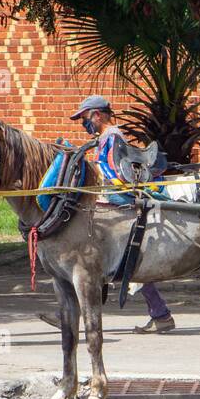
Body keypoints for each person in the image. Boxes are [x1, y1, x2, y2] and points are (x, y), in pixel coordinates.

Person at [71, 95, 175, 335]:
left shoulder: (111, 137)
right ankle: (161, 314)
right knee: (130, 264)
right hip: (114, 195)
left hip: (117, 197)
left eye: (84, 118)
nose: (83, 124)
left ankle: (161, 314)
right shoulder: (105, 138)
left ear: (97, 115)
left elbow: (114, 172)